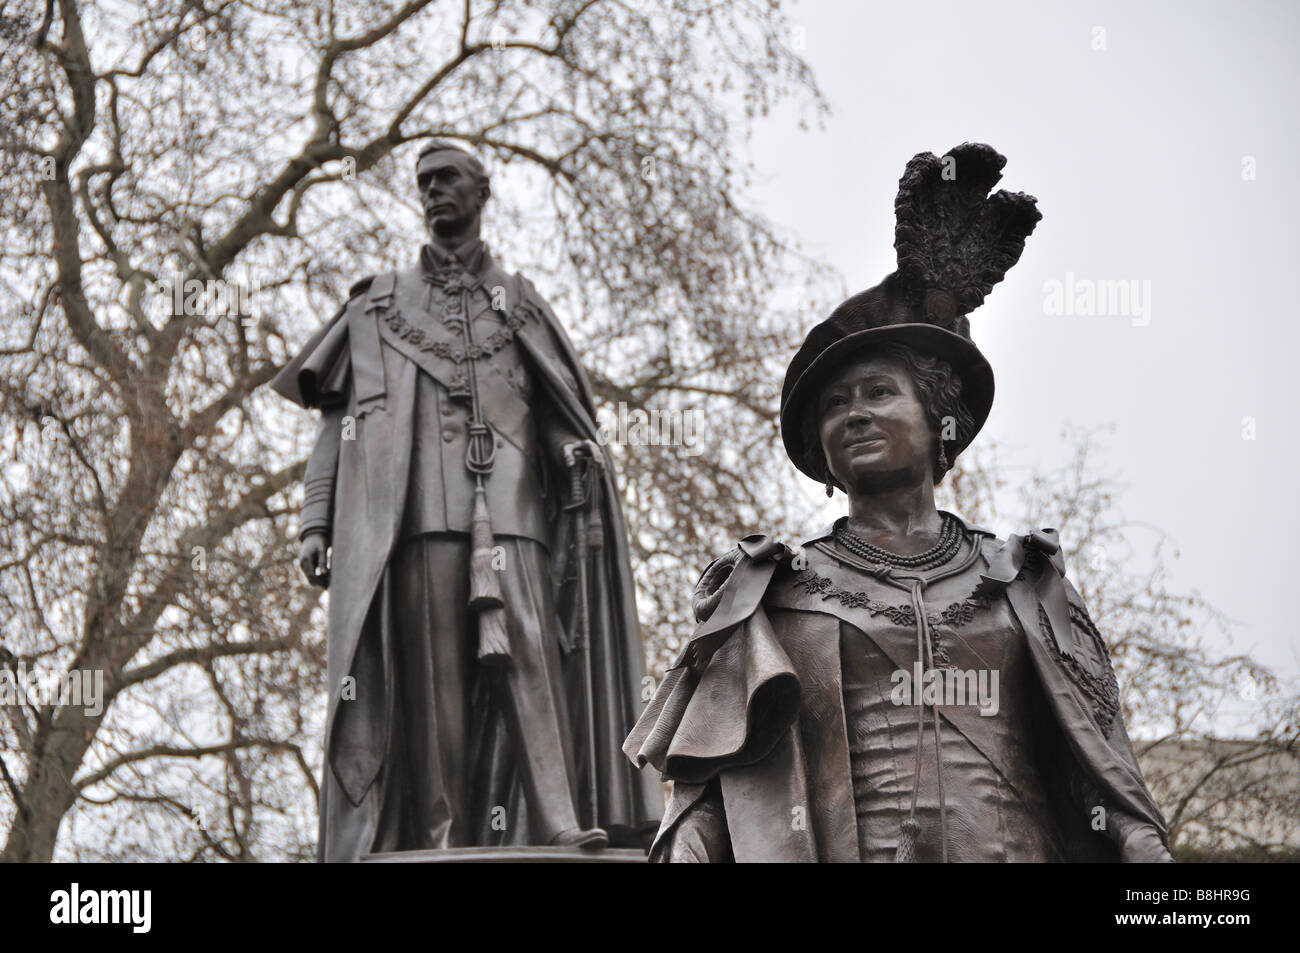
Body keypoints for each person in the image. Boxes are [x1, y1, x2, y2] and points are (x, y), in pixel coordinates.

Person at [624, 143, 1173, 863]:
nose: (854, 413)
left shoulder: (1025, 581)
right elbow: (705, 800)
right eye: (835, 404)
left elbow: (1102, 772)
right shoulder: (769, 592)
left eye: (879, 392)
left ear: (937, 413)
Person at [274, 140, 661, 861]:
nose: (432, 191)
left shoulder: (519, 302)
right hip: (418, 518)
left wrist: (572, 452)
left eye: (447, 178)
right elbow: (336, 423)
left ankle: (558, 818)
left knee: (531, 664)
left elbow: (554, 408)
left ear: (482, 190)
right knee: (433, 685)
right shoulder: (378, 303)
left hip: (513, 514)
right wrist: (315, 519)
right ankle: (440, 833)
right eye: (423, 182)